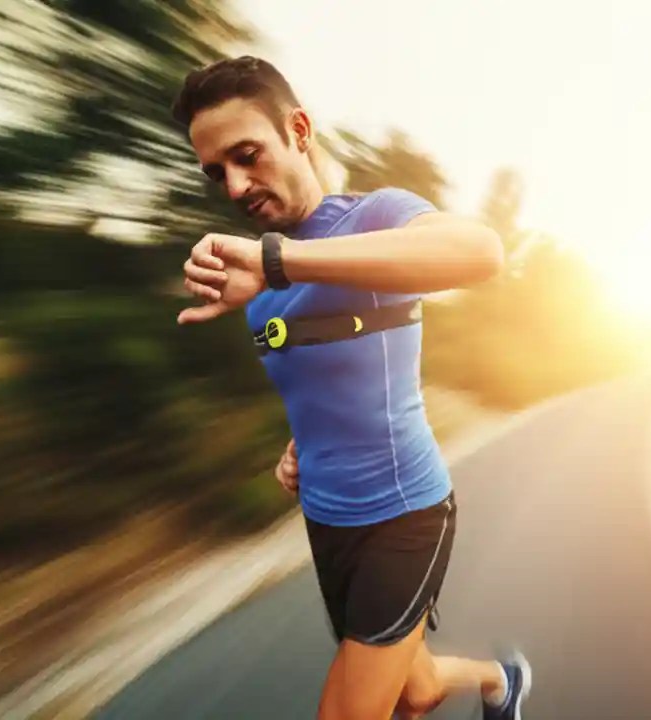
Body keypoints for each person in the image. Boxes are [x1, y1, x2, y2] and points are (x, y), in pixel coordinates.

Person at [170, 55, 531, 720]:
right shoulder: (257, 296)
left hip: (402, 515)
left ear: (298, 130)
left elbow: (480, 253)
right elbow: (329, 377)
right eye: (217, 171)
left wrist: (280, 261)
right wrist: (298, 446)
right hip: (328, 521)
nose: (236, 184)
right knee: (413, 691)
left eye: (248, 155)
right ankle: (498, 680)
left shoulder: (373, 217)